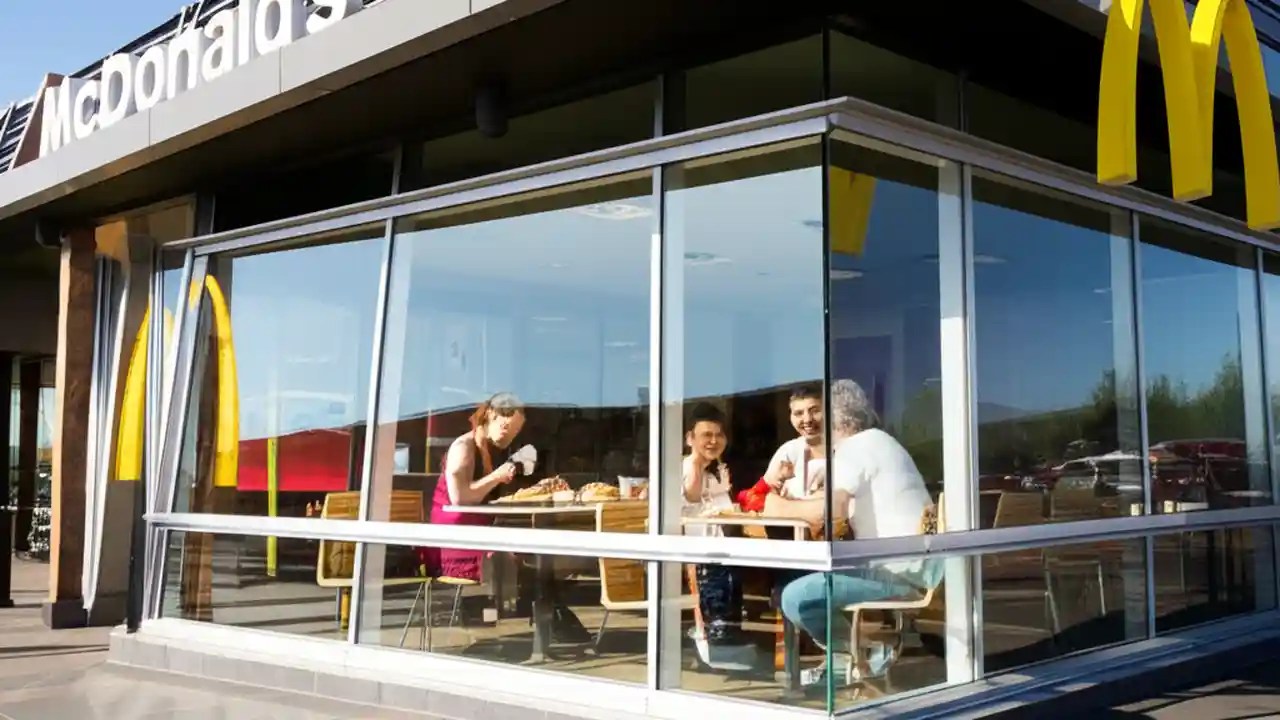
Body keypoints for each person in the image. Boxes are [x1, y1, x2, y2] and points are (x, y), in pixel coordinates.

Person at [774, 380, 935, 686]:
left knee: (794, 596)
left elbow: (829, 513)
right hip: (917, 568)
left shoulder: (854, 449)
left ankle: (856, 656)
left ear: (835, 421)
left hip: (896, 574)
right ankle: (859, 656)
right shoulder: (883, 442)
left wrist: (778, 505)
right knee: (814, 581)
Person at [682, 402, 755, 670]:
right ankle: (718, 648)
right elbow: (691, 495)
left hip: (721, 550)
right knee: (718, 598)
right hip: (702, 555)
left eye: (719, 435)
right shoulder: (690, 467)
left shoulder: (712, 472)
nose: (714, 441)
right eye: (706, 435)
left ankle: (726, 644)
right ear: (690, 438)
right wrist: (695, 461)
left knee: (733, 592)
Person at [425, 392, 527, 582]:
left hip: (475, 533)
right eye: (506, 427)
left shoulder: (486, 449)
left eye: (515, 432)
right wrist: (496, 477)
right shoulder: (463, 447)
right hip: (454, 543)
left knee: (525, 554)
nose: (509, 436)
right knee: (512, 564)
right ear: (491, 415)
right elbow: (460, 498)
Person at [763, 383, 828, 500]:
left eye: (815, 411)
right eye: (799, 413)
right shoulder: (788, 451)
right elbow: (761, 495)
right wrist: (776, 486)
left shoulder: (845, 450)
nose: (807, 419)